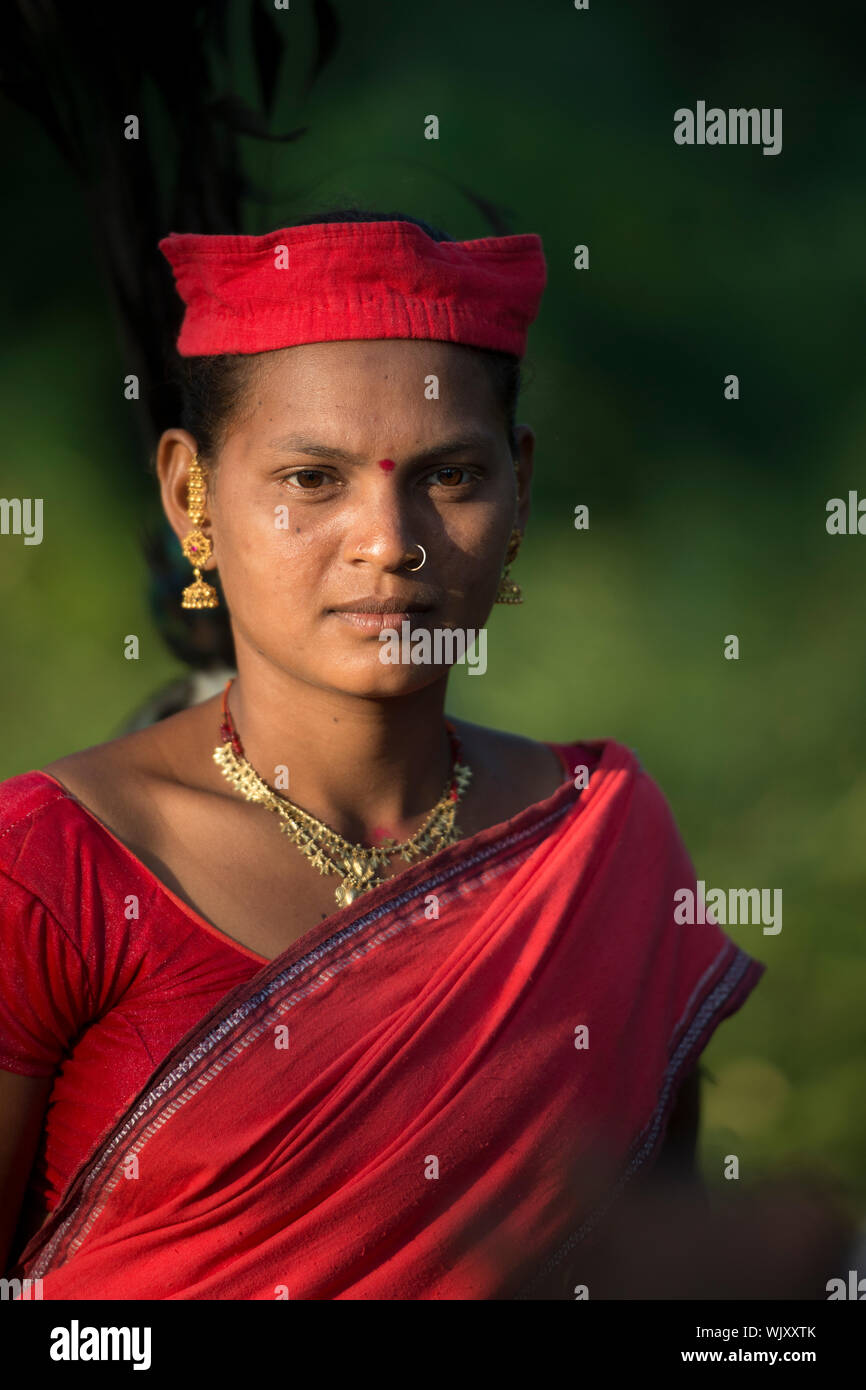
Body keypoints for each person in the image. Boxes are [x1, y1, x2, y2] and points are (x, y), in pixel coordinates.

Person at [0, 210, 764, 1299]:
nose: (386, 539)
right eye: (312, 479)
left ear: (521, 492)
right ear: (191, 498)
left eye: (450, 476)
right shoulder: (50, 870)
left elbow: (661, 1276)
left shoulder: (599, 840)